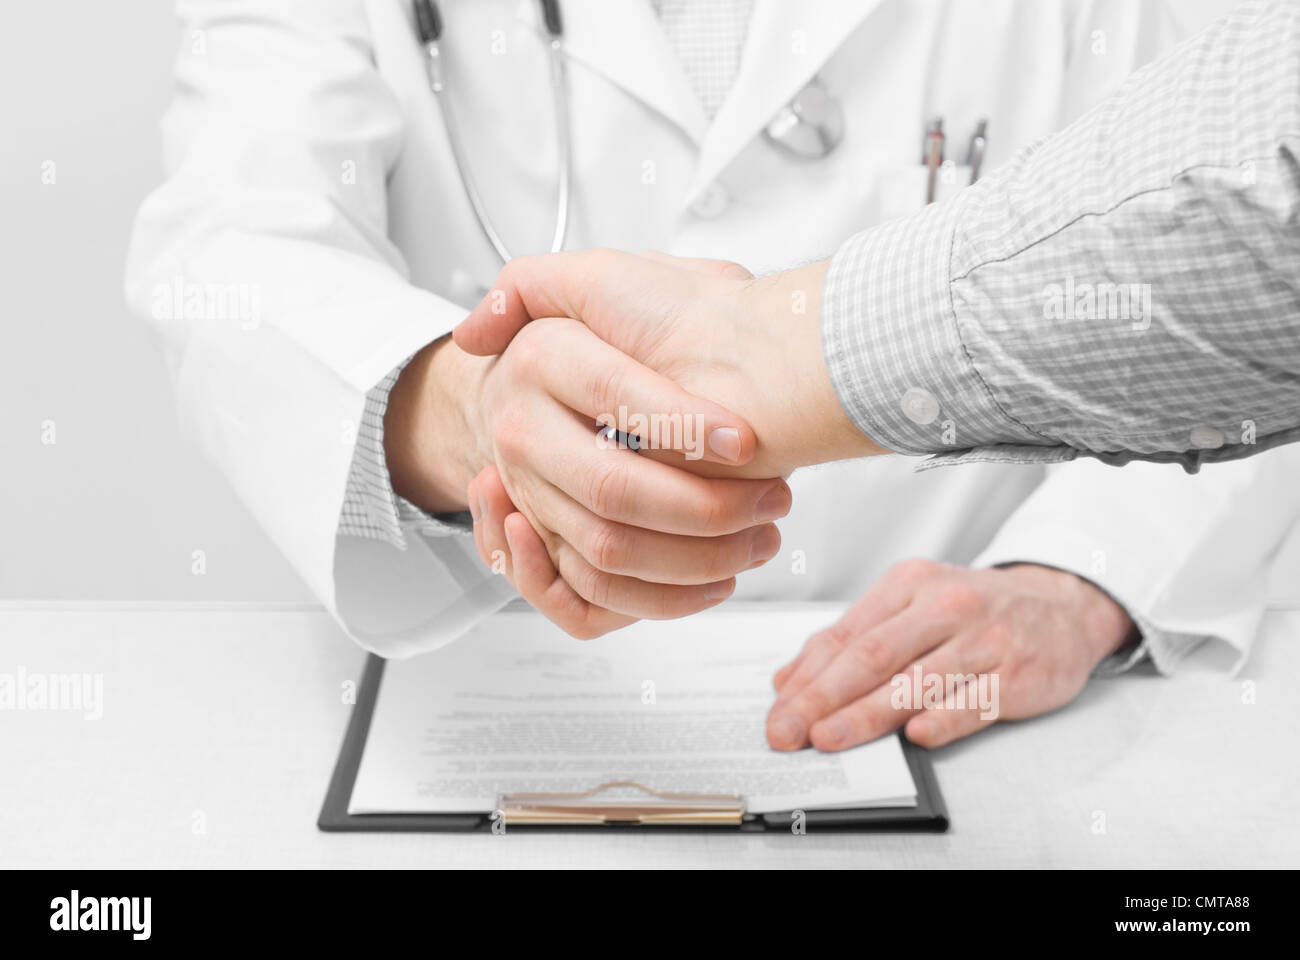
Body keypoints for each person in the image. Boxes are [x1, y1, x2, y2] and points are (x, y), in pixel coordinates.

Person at [126, 0, 1296, 754]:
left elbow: (1251, 221)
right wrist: (469, 410)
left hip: (973, 742)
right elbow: (227, 248)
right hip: (485, 718)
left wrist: (1081, 574)